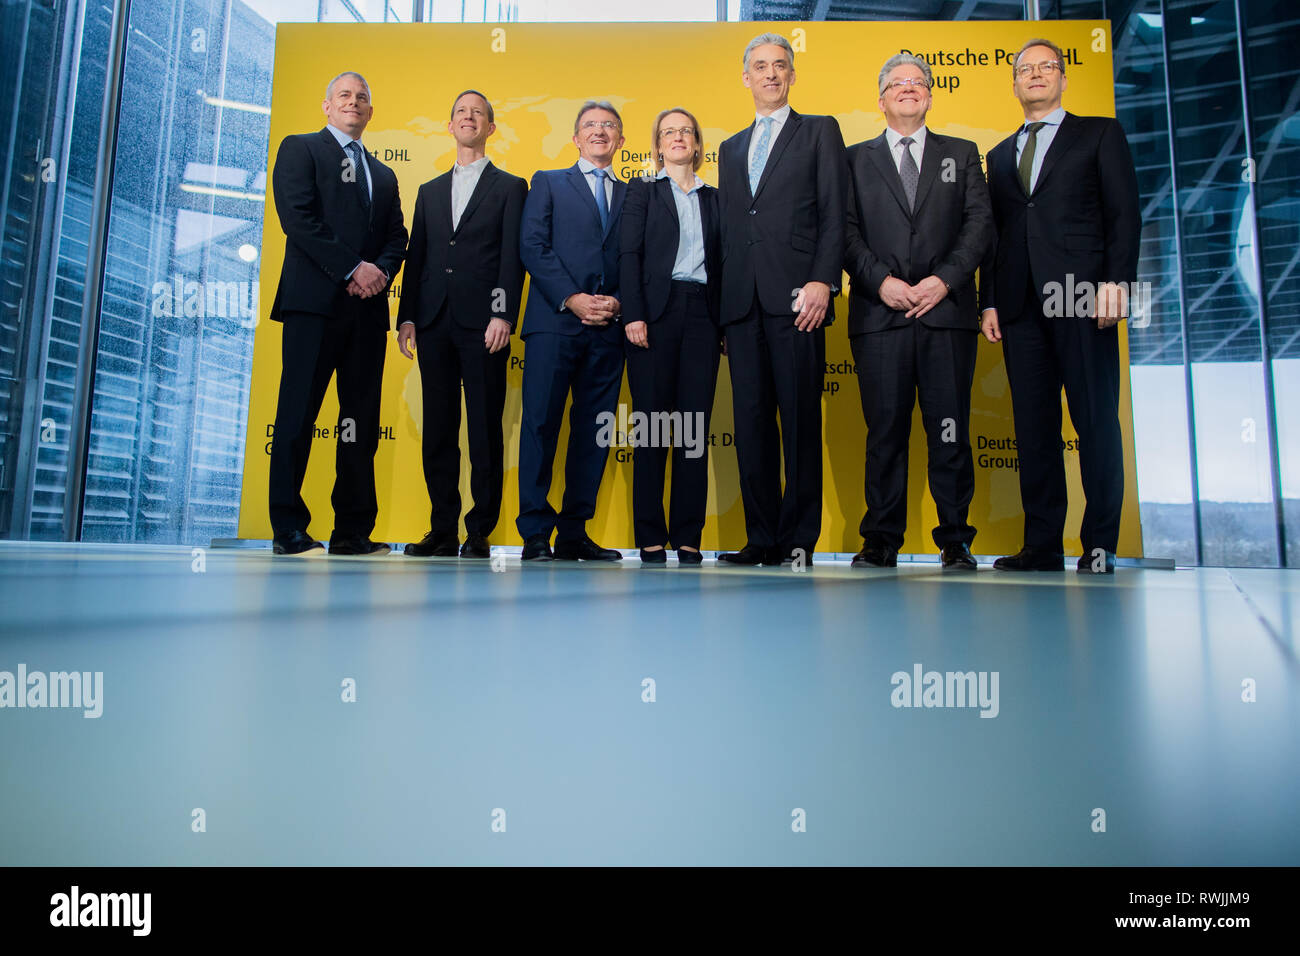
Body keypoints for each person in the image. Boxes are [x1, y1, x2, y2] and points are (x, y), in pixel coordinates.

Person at [980, 38, 1141, 575]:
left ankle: (1099, 545)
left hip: (1083, 296)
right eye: (1025, 69)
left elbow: (1123, 214)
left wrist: (1119, 282)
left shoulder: (1099, 133)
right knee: (1034, 428)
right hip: (1020, 305)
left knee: (1095, 421)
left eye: (1047, 67)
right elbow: (994, 236)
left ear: (1064, 78)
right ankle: (1042, 545)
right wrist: (990, 303)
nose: (1036, 75)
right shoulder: (1000, 155)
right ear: (1014, 83)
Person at [843, 53, 994, 570]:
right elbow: (842, 230)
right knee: (885, 432)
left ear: (930, 95)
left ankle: (956, 539)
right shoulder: (853, 159)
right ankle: (881, 538)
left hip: (946, 312)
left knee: (949, 429)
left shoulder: (963, 153)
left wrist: (944, 279)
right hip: (878, 314)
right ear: (880, 98)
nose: (909, 88)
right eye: (896, 83)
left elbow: (979, 225)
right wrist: (879, 281)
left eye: (918, 82)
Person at [715, 33, 847, 568]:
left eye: (780, 66)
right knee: (750, 424)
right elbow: (729, 229)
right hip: (741, 306)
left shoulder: (819, 132)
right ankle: (760, 538)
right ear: (745, 77)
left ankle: (797, 540)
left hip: (800, 300)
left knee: (798, 423)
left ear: (792, 76)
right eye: (760, 67)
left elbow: (836, 213)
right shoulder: (728, 149)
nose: (770, 74)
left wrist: (823, 280)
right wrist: (723, 311)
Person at [267, 71, 407, 556]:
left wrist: (379, 273)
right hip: (314, 307)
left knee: (360, 422)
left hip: (366, 314)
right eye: (345, 95)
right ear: (327, 106)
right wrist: (352, 268)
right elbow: (297, 218)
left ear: (370, 111)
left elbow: (397, 238)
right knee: (298, 414)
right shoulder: (300, 148)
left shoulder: (384, 174)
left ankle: (352, 532)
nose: (354, 102)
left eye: (362, 97)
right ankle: (288, 527)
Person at [395, 90, 527, 559]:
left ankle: (479, 532)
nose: (468, 117)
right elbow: (418, 258)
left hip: (484, 325)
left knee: (484, 430)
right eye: (460, 112)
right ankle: (442, 529)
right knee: (439, 429)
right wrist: (406, 316)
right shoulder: (428, 191)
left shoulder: (512, 186)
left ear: (491, 127)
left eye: (478, 113)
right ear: (449, 126)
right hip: (433, 322)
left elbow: (512, 257)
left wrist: (502, 313)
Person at [516, 101, 628, 561]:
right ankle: (536, 534)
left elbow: (639, 257)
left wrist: (620, 301)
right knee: (541, 425)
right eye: (590, 126)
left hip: (608, 329)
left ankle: (575, 533)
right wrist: (572, 297)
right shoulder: (547, 182)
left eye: (608, 126)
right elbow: (532, 245)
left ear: (621, 140)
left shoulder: (633, 195)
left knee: (594, 431)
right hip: (554, 324)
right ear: (576, 138)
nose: (599, 132)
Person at [619, 108, 722, 566]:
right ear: (658, 146)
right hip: (653, 318)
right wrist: (634, 315)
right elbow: (629, 254)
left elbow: (728, 264)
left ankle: (688, 535)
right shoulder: (642, 191)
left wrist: (723, 324)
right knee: (653, 429)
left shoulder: (717, 199)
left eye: (686, 132)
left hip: (702, 314)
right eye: (668, 133)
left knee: (692, 431)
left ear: (698, 145)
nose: (678, 138)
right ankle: (650, 534)